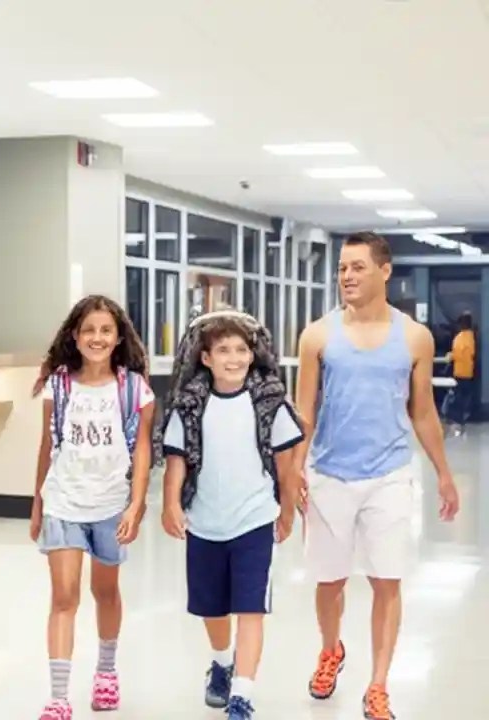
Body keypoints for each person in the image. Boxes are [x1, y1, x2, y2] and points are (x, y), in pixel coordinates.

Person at [294, 231, 460, 720]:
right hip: (328, 474)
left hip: (389, 474)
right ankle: (331, 650)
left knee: (388, 581)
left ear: (384, 271)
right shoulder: (317, 335)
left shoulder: (414, 337)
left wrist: (445, 475)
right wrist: (292, 471)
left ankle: (378, 685)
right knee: (330, 582)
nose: (346, 275)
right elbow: (305, 411)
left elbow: (424, 412)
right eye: (342, 268)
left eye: (357, 267)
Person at [159, 311, 302, 720]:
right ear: (206, 358)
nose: (234, 358)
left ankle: (242, 694)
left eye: (241, 350)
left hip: (253, 520)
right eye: (223, 350)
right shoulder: (188, 407)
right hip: (204, 523)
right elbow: (177, 461)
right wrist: (171, 504)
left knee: (251, 608)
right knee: (212, 608)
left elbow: (285, 463)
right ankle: (222, 663)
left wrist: (287, 511)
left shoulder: (268, 404)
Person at [29, 295, 156, 720]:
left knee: (105, 591)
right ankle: (59, 697)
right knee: (63, 597)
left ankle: (106, 670)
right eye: (89, 330)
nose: (97, 338)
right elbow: (47, 446)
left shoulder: (134, 388)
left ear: (119, 337)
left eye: (105, 330)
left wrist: (135, 506)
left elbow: (142, 453)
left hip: (109, 505)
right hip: (63, 501)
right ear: (74, 336)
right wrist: (37, 503)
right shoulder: (59, 385)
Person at [445, 311, 475, 435]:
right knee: (463, 397)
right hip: (467, 372)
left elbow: (458, 354)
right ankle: (460, 418)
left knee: (458, 397)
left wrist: (450, 356)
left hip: (460, 372)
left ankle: (456, 418)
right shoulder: (470, 337)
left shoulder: (461, 338)